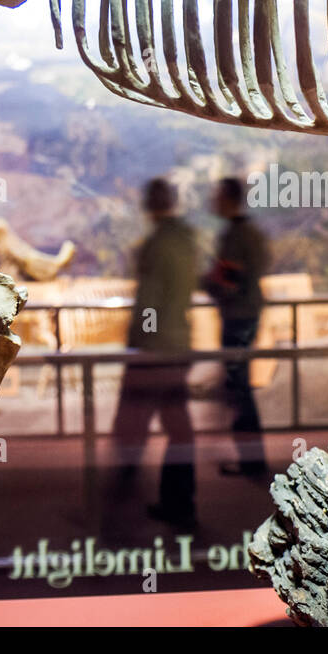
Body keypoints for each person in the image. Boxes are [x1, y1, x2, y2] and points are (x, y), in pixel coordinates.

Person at [112, 178, 200, 529]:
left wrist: (142, 343)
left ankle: (122, 497)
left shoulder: (157, 245)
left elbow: (149, 301)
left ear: (149, 205)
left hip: (156, 349)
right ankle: (181, 502)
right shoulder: (187, 241)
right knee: (178, 424)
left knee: (136, 417)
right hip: (178, 343)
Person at [202, 177, 271, 478]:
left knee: (240, 387)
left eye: (217, 196)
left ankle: (253, 461)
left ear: (228, 199)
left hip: (238, 316)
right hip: (247, 314)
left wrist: (199, 283)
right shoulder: (250, 233)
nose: (213, 201)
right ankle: (251, 460)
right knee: (239, 385)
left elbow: (227, 281)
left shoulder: (234, 237)